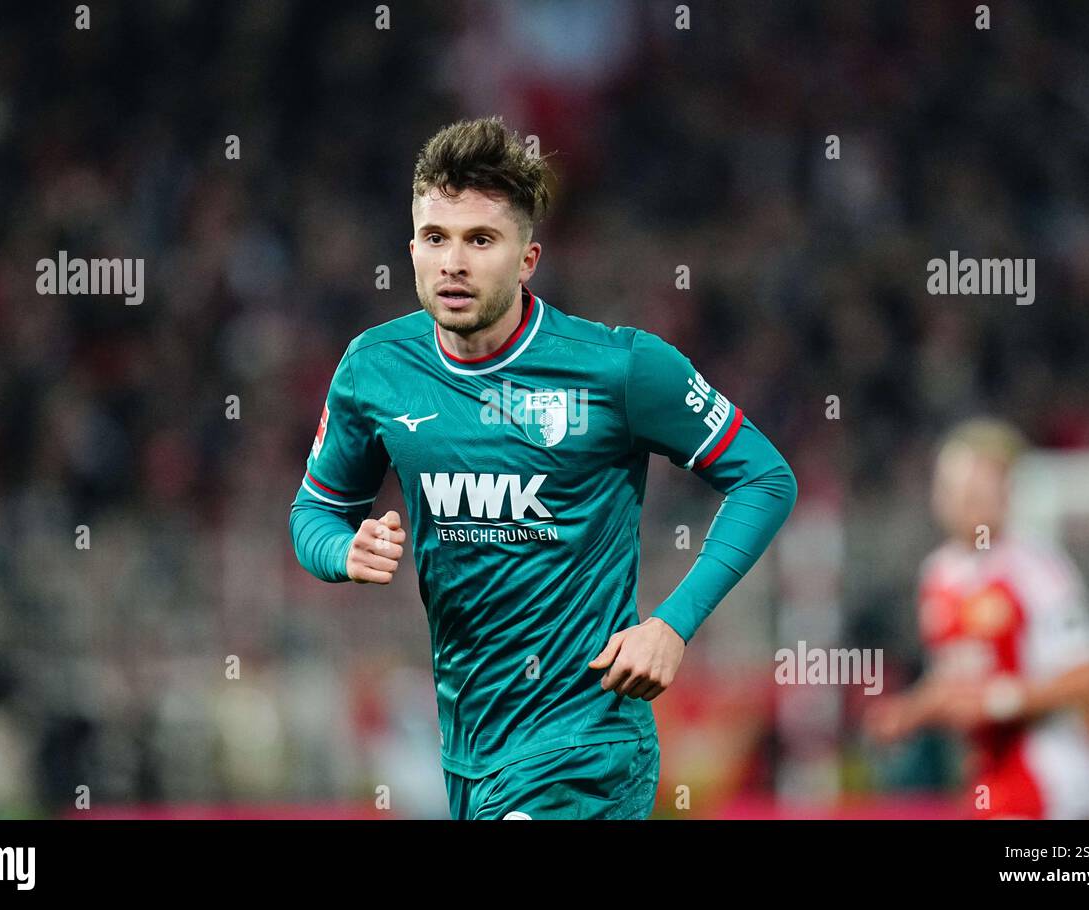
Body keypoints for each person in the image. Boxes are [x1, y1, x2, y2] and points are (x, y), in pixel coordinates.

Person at [290, 116, 797, 819]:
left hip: (587, 745)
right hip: (471, 754)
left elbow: (765, 477)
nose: (454, 263)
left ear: (527, 258)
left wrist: (673, 624)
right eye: (436, 238)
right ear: (411, 249)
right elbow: (313, 512)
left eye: (481, 240)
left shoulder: (620, 368)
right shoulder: (375, 370)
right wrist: (342, 549)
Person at [865, 418, 1089, 818]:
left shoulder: (1034, 568)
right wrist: (910, 712)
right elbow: (956, 680)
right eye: (953, 489)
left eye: (976, 490)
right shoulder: (938, 574)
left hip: (1049, 776)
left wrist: (997, 701)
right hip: (989, 776)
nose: (963, 501)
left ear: (1005, 493)